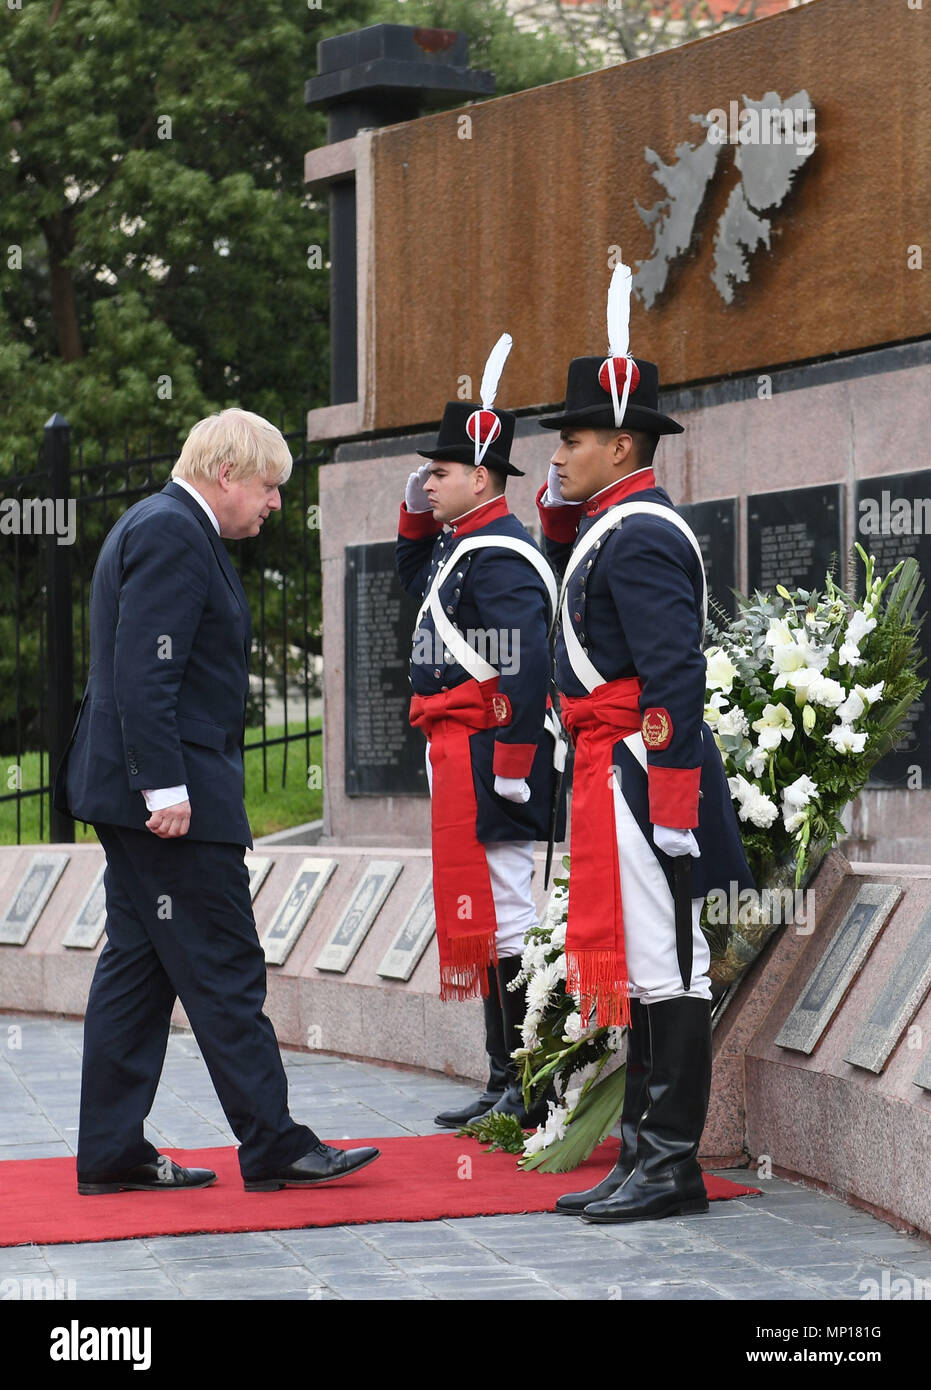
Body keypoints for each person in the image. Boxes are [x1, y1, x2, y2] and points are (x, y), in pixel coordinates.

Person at [55, 408, 379, 1194]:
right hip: (170, 804)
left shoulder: (163, 524)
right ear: (227, 473)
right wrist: (161, 785)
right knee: (226, 963)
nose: (273, 504)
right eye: (268, 487)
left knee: (138, 970)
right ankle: (272, 1142)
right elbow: (144, 672)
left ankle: (110, 1151)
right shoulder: (172, 530)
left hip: (145, 797)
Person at [535, 268, 753, 1222]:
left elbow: (672, 678)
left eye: (573, 438)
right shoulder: (608, 526)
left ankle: (671, 1161)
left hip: (638, 770)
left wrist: (668, 802)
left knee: (669, 966)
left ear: (620, 441)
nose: (559, 453)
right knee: (644, 960)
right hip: (612, 765)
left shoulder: (640, 533)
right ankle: (641, 1153)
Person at [396, 336, 565, 1131]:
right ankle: (504, 1074)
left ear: (480, 476)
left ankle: (528, 1081)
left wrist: (509, 764)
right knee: (490, 917)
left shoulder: (496, 555)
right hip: (455, 749)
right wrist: (412, 512)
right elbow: (415, 590)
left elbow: (523, 672)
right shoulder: (458, 544)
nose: (427, 480)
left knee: (506, 915)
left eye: (438, 471)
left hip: (489, 756)